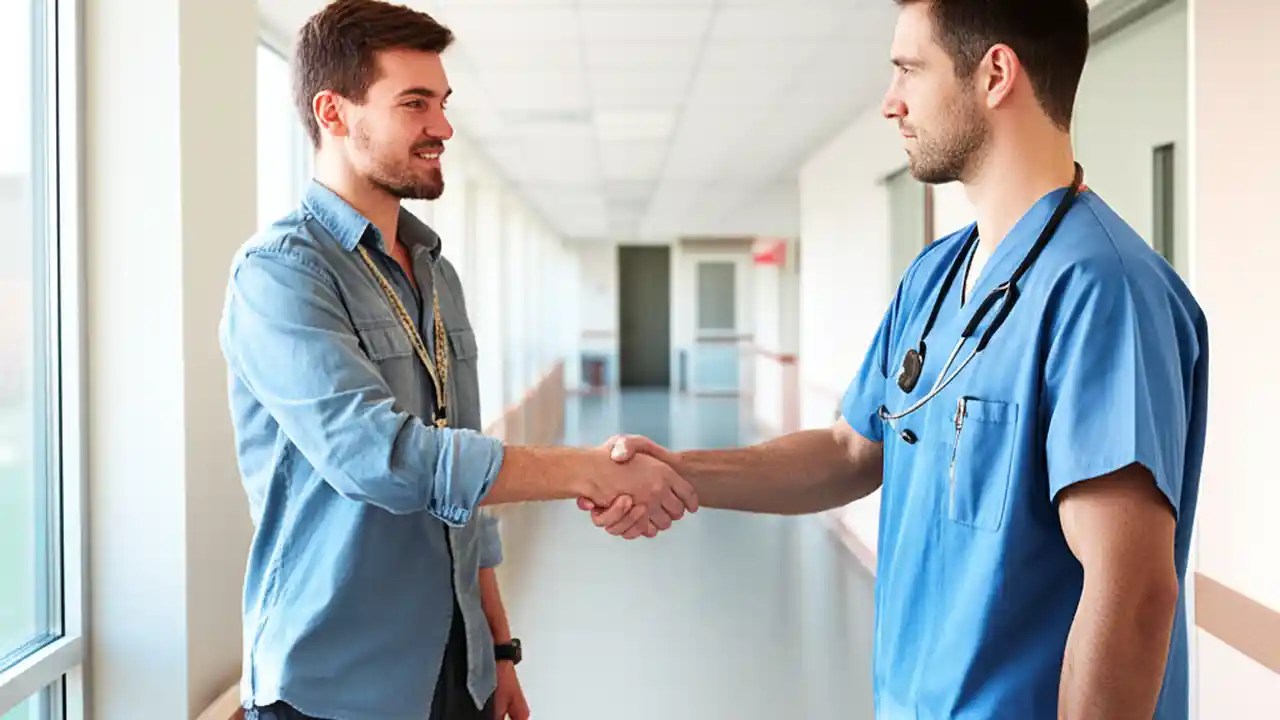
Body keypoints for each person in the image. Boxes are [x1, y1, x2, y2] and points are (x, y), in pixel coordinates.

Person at [584, 0, 1208, 718]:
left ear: (995, 74)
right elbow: (851, 450)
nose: (890, 102)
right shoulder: (934, 278)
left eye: (909, 70)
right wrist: (680, 472)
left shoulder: (1103, 290)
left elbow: (1132, 591)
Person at [218, 1, 697, 719]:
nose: (442, 126)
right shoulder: (281, 273)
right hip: (335, 685)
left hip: (456, 667)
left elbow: (462, 486)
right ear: (334, 112)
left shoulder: (435, 272)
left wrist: (498, 648)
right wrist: (585, 469)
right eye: (415, 103)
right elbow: (379, 457)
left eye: (443, 103)